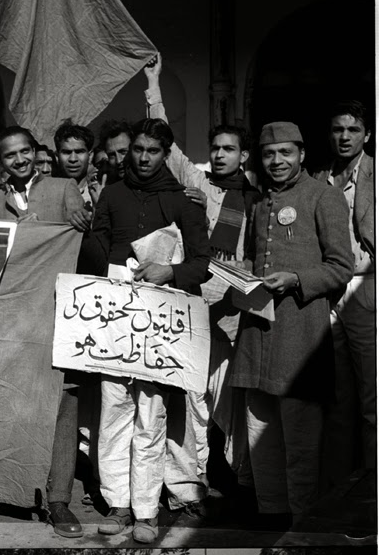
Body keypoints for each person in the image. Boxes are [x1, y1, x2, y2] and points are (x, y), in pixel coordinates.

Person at [82, 118, 210, 544]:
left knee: (151, 415)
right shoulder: (113, 194)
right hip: (114, 317)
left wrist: (168, 269)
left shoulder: (183, 200)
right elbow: (95, 246)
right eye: (137, 149)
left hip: (159, 321)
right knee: (113, 407)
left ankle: (146, 509)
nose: (142, 158)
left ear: (165, 153)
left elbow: (201, 263)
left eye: (152, 151)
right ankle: (117, 502)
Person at [230, 121, 353, 528]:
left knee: (300, 437)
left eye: (285, 153)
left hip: (300, 333)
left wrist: (297, 280)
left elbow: (341, 267)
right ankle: (271, 514)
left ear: (301, 154)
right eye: (269, 154)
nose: (277, 161)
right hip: (257, 331)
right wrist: (239, 274)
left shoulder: (324, 197)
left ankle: (302, 522)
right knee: (258, 429)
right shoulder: (259, 203)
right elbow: (252, 256)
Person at [144, 55, 259, 487]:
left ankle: (240, 478)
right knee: (194, 395)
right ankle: (194, 480)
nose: (220, 155)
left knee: (232, 397)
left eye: (229, 149)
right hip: (195, 304)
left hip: (235, 310)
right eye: (215, 149)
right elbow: (166, 144)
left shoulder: (257, 199)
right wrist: (154, 84)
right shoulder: (199, 183)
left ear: (244, 155)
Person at [0, 126, 87, 538]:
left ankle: (59, 499)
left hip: (60, 315)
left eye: (26, 151)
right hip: (13, 317)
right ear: (0, 160)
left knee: (63, 403)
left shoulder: (64, 189)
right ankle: (13, 489)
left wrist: (78, 224)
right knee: (10, 398)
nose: (21, 160)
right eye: (10, 155)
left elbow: (85, 247)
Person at [314, 101, 375, 487]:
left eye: (353, 130)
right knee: (337, 395)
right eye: (338, 129)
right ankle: (339, 485)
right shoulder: (323, 177)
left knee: (372, 393)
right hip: (330, 288)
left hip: (367, 286)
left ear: (366, 134)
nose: (344, 136)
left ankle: (373, 482)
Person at [54, 120, 96, 205]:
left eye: (79, 152)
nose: (73, 159)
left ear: (90, 156)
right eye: (66, 152)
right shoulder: (46, 194)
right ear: (57, 157)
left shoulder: (102, 192)